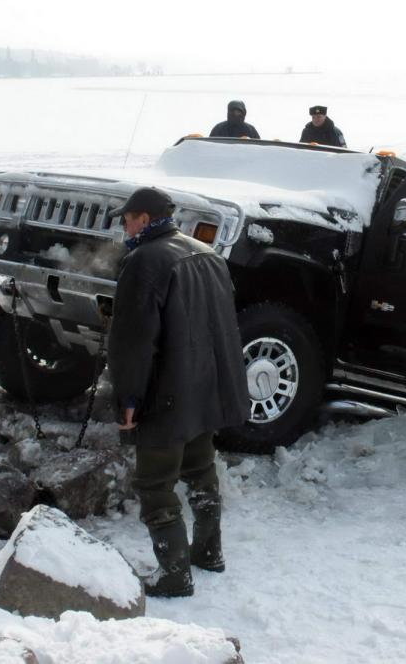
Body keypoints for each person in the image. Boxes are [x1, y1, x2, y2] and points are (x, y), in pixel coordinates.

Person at [107, 186, 250, 598]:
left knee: (155, 484)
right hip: (206, 388)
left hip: (166, 393)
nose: (124, 225)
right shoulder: (205, 253)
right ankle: (209, 552)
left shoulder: (144, 262)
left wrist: (129, 399)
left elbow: (134, 341)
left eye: (127, 218)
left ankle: (174, 574)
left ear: (144, 220)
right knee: (201, 472)